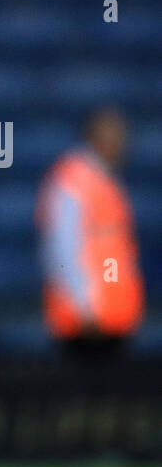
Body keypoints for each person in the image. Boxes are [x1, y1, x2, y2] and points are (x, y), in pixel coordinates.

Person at [35, 107, 144, 358]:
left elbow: (112, 251)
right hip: (85, 322)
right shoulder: (72, 181)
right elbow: (61, 247)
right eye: (114, 135)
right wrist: (84, 307)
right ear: (95, 136)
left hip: (111, 316)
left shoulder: (103, 180)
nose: (122, 142)